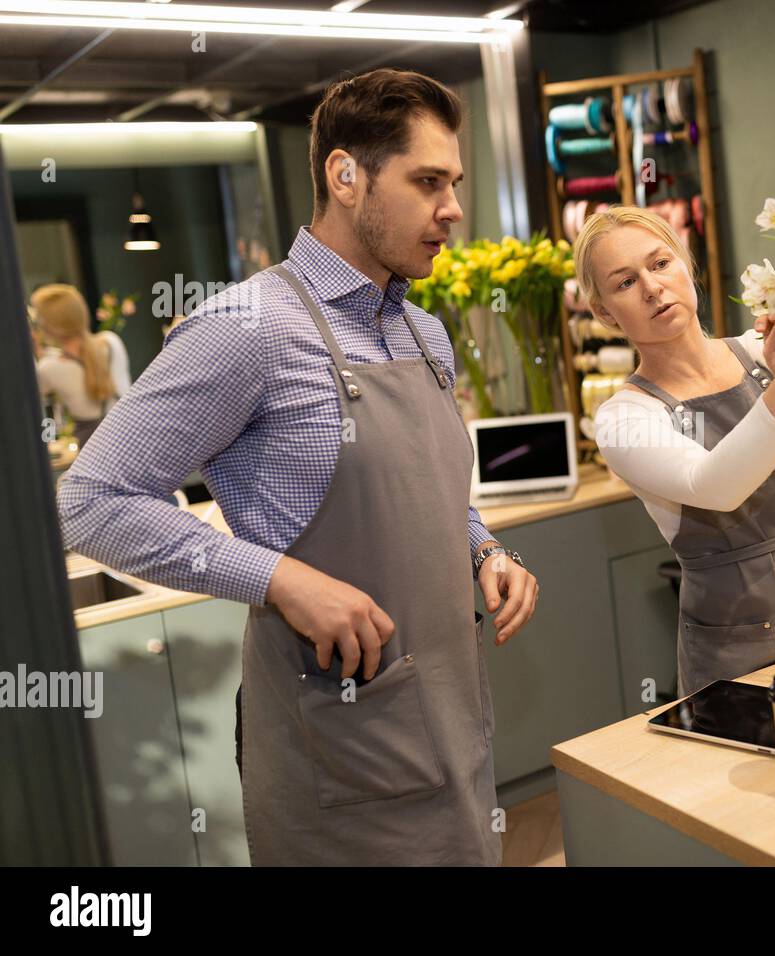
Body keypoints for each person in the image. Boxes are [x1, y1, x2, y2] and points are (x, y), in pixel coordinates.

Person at [57, 68, 539, 866]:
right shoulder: (245, 328)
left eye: (453, 182)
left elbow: (428, 493)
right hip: (341, 761)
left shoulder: (425, 334)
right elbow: (92, 500)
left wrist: (483, 547)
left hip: (452, 727)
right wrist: (285, 581)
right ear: (345, 175)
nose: (453, 208)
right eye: (428, 182)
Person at [580, 207, 775, 697]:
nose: (653, 288)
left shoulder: (757, 353)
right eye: (625, 283)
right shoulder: (624, 418)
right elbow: (714, 488)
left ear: (685, 264)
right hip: (743, 662)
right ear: (605, 313)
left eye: (660, 264)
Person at [31, 284, 131, 446]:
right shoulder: (111, 342)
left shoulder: (48, 368)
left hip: (91, 450)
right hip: (130, 438)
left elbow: (34, 398)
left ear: (48, 326)